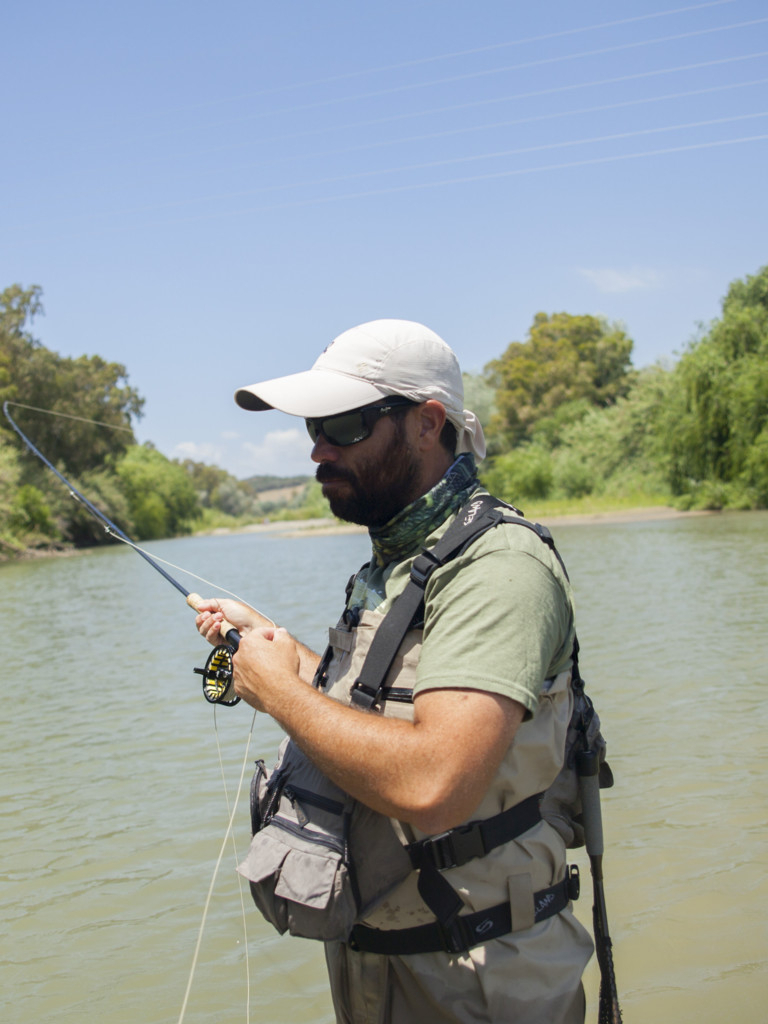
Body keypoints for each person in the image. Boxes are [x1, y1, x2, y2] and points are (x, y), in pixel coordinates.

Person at [195, 318, 594, 1024]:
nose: (318, 448)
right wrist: (273, 651)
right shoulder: (398, 561)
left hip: (481, 986)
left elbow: (435, 780)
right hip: (383, 969)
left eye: (344, 424)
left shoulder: (498, 569)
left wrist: (283, 694)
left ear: (427, 424)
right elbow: (385, 705)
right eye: (314, 425)